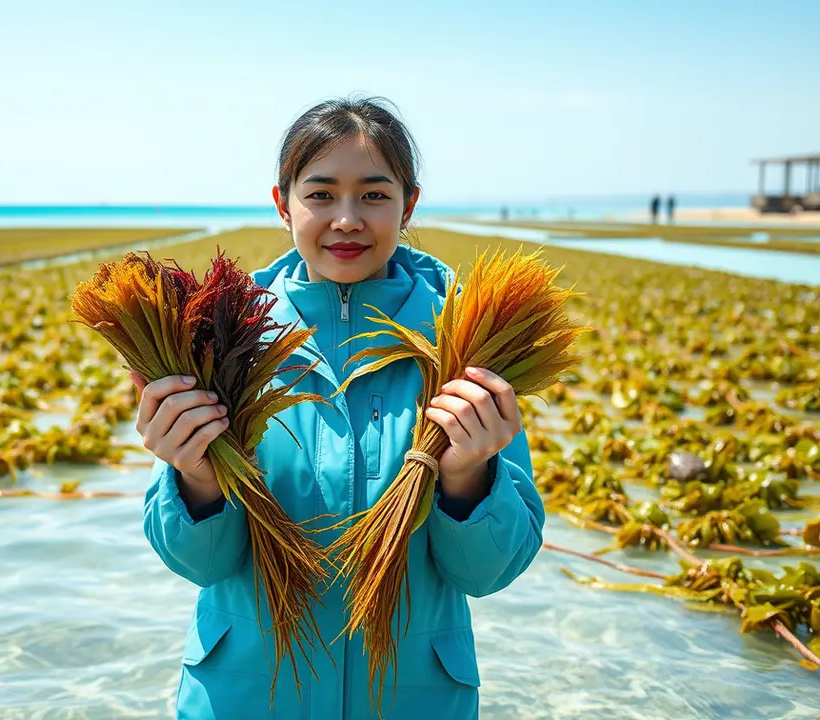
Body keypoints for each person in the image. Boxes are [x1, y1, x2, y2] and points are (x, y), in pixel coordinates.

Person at [137, 97, 544, 720]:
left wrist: (468, 477)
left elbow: (486, 574)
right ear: (283, 204)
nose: (347, 219)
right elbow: (202, 564)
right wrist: (195, 476)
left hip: (410, 700)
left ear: (408, 205)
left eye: (374, 196)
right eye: (321, 194)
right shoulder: (222, 337)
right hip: (246, 697)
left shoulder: (466, 340)